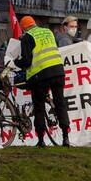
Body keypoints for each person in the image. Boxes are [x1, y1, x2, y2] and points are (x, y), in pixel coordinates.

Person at [17, 15, 70, 146]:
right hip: (58, 72)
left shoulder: (26, 37)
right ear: (34, 24)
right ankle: (65, 137)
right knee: (60, 103)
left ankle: (41, 140)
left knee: (39, 106)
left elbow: (27, 61)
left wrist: (15, 62)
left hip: (40, 75)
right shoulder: (48, 32)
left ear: (23, 28)